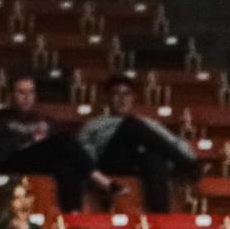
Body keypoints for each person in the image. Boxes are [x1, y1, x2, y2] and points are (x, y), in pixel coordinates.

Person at [0, 75, 111, 214]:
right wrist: (31, 141)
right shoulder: (0, 122)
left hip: (43, 166)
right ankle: (98, 178)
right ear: (11, 95)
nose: (26, 97)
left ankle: (72, 214)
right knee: (63, 139)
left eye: (31, 92)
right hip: (15, 165)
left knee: (66, 165)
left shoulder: (45, 121)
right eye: (21, 92)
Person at [76, 75, 203, 214]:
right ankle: (188, 165)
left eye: (126, 94)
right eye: (116, 94)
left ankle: (160, 216)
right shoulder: (93, 125)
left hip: (136, 164)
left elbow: (173, 141)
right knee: (131, 125)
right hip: (108, 164)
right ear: (108, 98)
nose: (122, 99)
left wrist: (189, 155)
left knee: (153, 158)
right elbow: (82, 154)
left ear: (133, 98)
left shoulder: (147, 123)